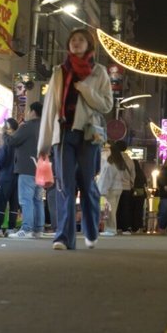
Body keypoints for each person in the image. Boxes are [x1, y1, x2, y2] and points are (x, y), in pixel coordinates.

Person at [38, 28, 114, 251]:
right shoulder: (60, 72)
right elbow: (50, 108)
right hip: (63, 134)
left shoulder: (99, 72)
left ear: (89, 44)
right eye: (73, 40)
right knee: (64, 186)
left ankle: (91, 230)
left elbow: (107, 105)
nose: (76, 43)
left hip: (89, 135)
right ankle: (63, 237)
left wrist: (85, 89)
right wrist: (43, 144)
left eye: (81, 40)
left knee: (88, 183)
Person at [6, 102, 44, 239]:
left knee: (26, 199)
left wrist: (12, 132)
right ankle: (38, 229)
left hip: (27, 167)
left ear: (32, 111)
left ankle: (27, 228)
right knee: (38, 199)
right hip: (41, 168)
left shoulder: (28, 126)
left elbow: (12, 141)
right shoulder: (45, 127)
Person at [0, 118, 21, 237]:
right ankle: (11, 228)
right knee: (14, 203)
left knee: (1, 201)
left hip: (5, 175)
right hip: (17, 176)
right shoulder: (19, 141)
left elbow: (1, 159)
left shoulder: (5, 141)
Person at [98, 140, 135, 236]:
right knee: (112, 209)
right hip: (119, 188)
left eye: (106, 149)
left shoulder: (110, 163)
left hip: (110, 189)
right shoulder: (119, 161)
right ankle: (110, 228)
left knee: (110, 210)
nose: (104, 150)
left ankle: (110, 229)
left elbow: (107, 178)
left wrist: (102, 190)